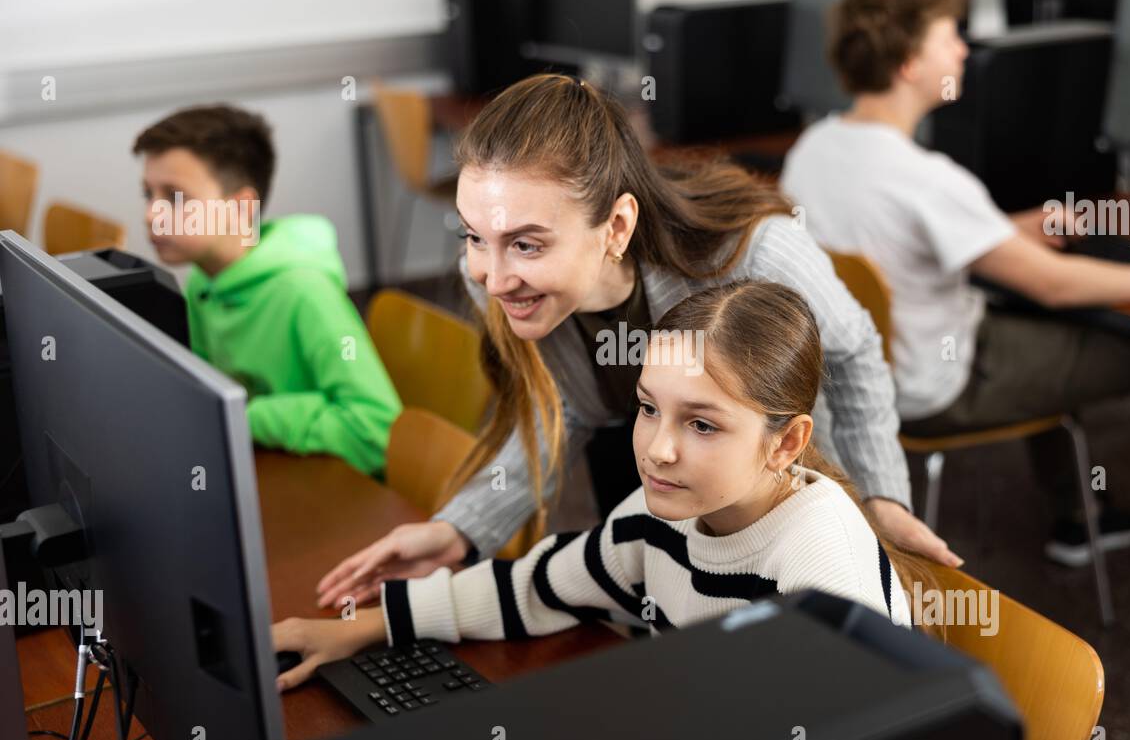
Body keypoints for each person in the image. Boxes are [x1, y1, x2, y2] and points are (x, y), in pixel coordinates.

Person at [316, 72, 960, 612]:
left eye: (527, 243)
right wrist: (460, 530)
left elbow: (854, 354)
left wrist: (880, 497)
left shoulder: (757, 255)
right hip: (674, 493)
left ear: (617, 225)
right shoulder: (499, 277)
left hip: (788, 503)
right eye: (473, 236)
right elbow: (559, 409)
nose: (491, 273)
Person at [780, 0, 1130, 565]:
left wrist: (1005, 230)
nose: (964, 50)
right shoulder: (929, 178)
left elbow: (892, 235)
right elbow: (1054, 282)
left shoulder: (814, 149)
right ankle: (1080, 516)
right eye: (950, 38)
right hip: (939, 386)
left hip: (857, 383)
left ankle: (1079, 511)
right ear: (910, 65)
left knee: (1036, 325)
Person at [287, 281, 913, 688]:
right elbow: (543, 586)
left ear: (786, 443)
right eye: (648, 409)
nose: (657, 450)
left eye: (701, 423)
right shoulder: (660, 512)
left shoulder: (819, 566)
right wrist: (360, 627)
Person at [134, 104, 401, 478]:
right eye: (148, 194)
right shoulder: (203, 281)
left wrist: (252, 417)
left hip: (333, 492)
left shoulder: (303, 292)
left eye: (175, 197)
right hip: (270, 468)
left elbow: (376, 431)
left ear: (241, 208)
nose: (151, 214)